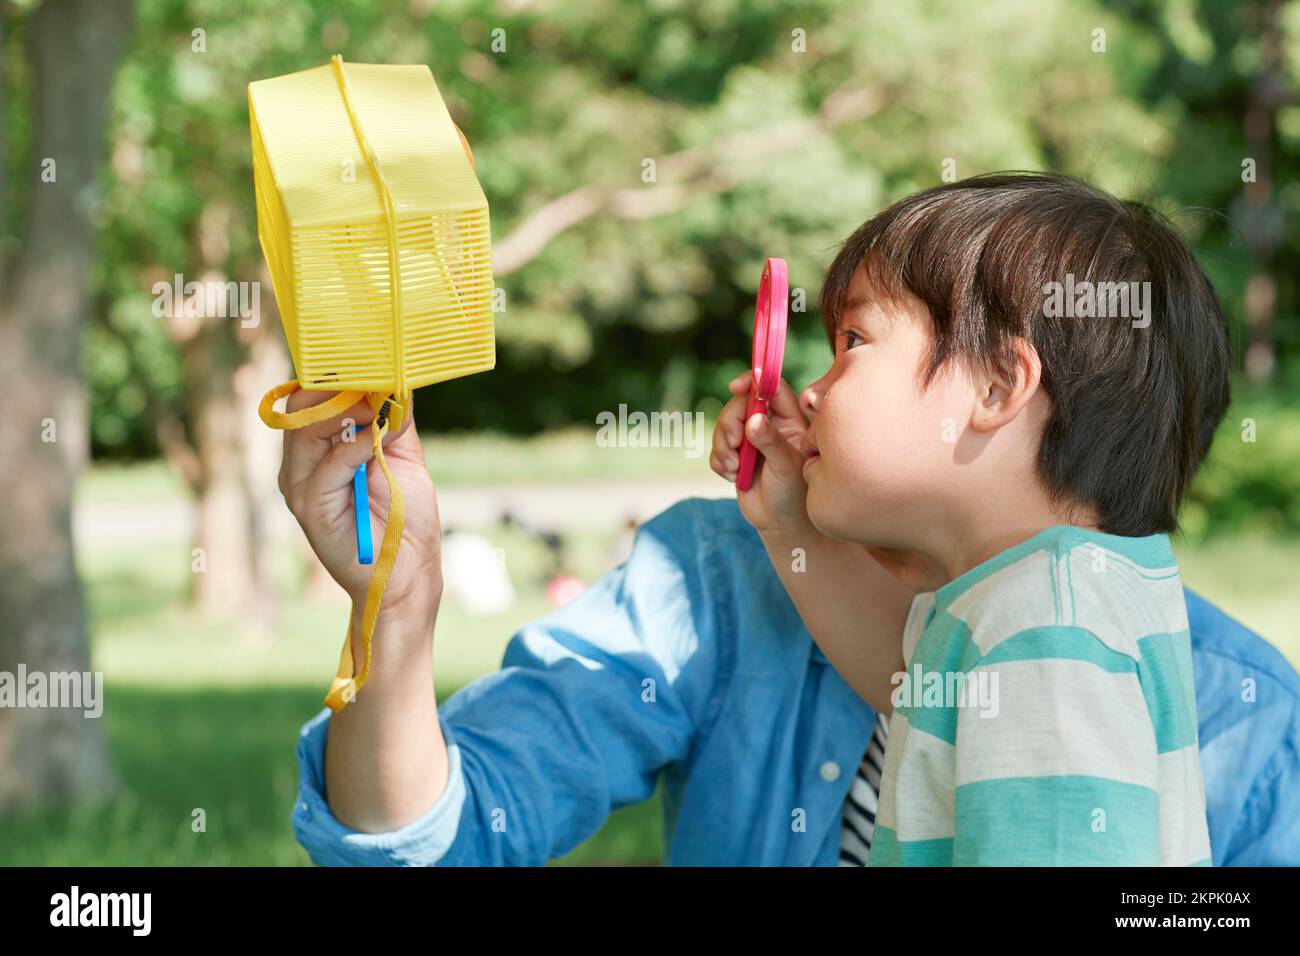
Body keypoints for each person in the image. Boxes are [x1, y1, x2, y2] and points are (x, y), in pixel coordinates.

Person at [280, 176, 1300, 868]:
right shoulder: (1043, 611)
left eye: (852, 340)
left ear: (994, 386)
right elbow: (919, 697)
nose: (808, 388)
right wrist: (784, 527)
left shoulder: (1050, 635)